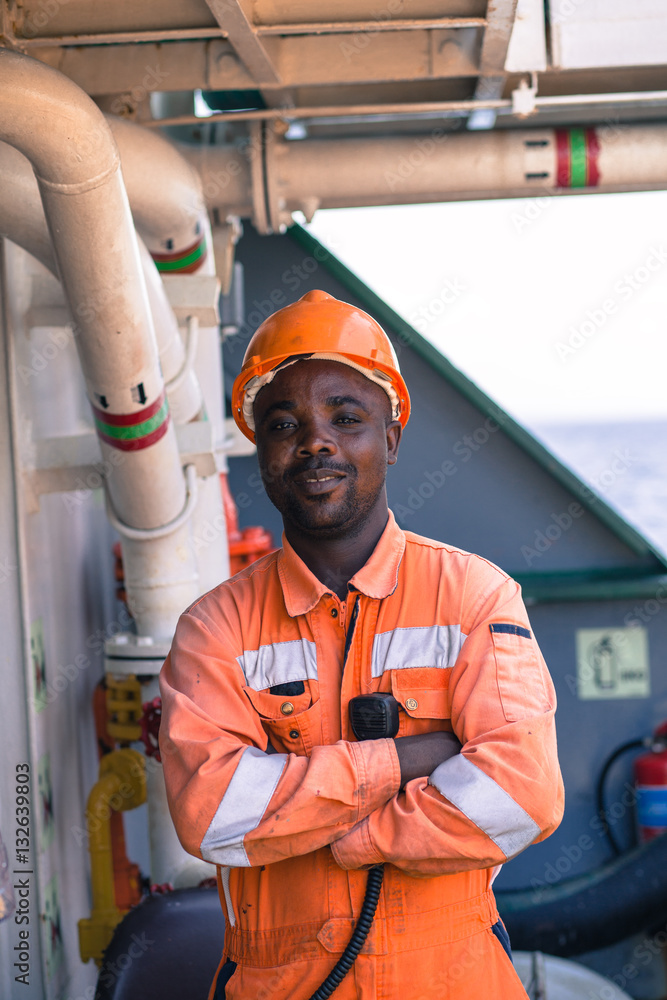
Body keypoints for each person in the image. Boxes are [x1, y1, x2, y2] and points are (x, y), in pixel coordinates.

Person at [159, 289, 564, 1000]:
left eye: (346, 419)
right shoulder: (213, 628)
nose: (316, 440)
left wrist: (353, 838)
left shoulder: (473, 597)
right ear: (260, 449)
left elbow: (520, 796)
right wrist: (409, 758)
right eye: (285, 423)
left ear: (391, 438)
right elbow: (216, 816)